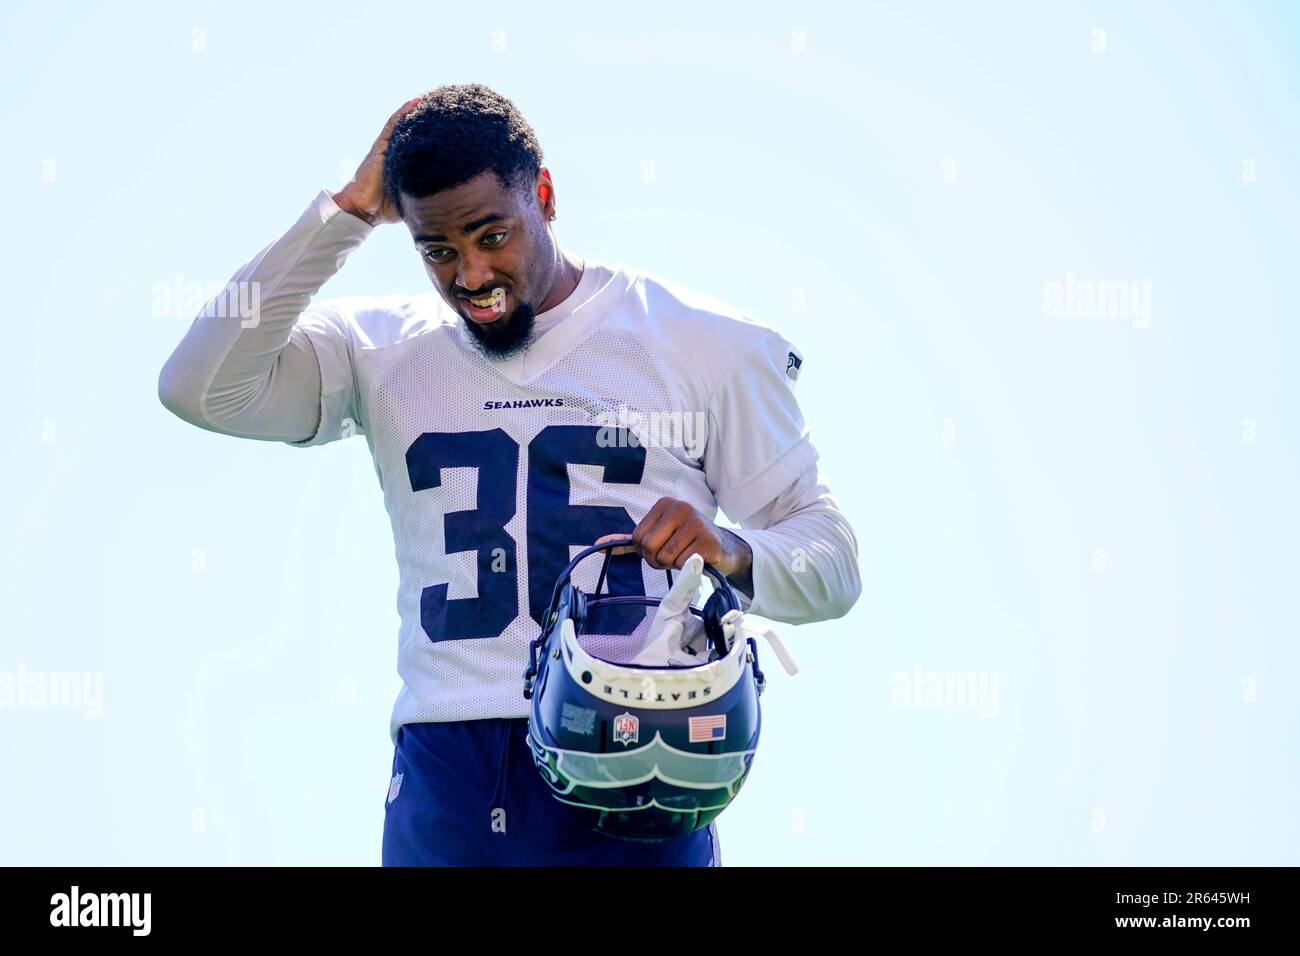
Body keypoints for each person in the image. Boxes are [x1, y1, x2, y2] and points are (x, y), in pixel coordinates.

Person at [157, 83, 861, 866]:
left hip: (634, 748)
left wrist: (730, 550)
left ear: (545, 197)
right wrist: (348, 212)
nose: (473, 274)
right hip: (449, 763)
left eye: (493, 234)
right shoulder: (382, 349)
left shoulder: (702, 344)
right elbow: (200, 387)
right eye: (440, 250)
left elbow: (833, 561)